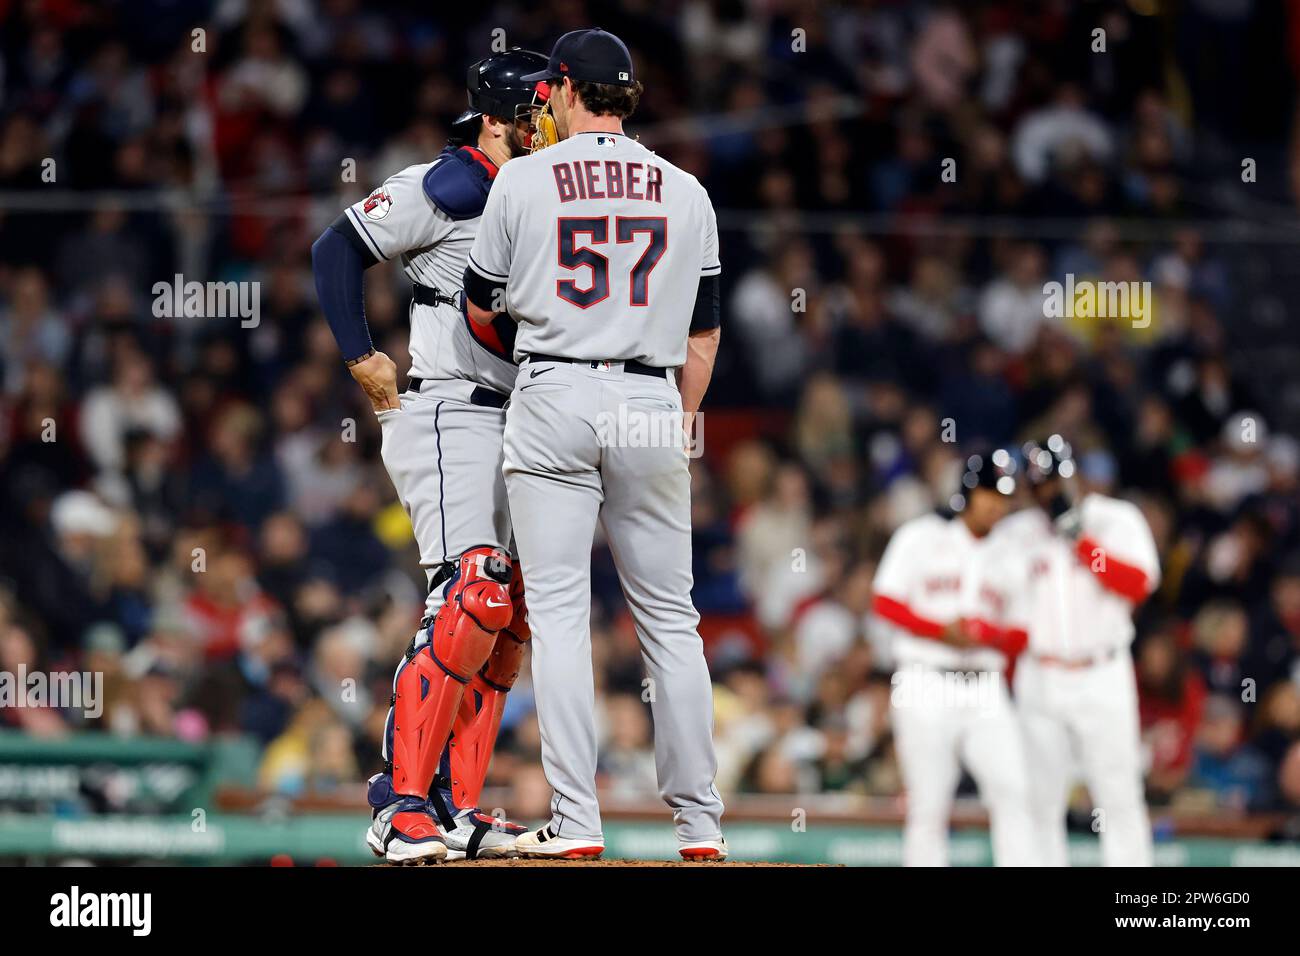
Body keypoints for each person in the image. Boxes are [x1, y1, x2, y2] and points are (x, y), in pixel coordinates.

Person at [463, 28, 727, 860]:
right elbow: (705, 338)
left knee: (561, 617)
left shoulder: (523, 178)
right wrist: (677, 419)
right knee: (672, 622)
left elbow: (478, 306)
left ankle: (578, 821)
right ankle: (700, 826)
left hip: (556, 387)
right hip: (650, 394)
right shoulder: (686, 190)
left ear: (564, 89)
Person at [310, 48, 551, 863]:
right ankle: (398, 804)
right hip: (453, 409)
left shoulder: (540, 191)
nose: (552, 122)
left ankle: (454, 808)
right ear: (501, 120)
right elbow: (335, 248)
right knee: (470, 593)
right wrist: (360, 355)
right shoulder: (448, 185)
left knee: (506, 614)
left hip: (520, 417)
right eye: (538, 110)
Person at [993, 434, 1161, 866]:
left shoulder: (1116, 519)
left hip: (1102, 671)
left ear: (1074, 475)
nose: (1047, 491)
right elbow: (1001, 608)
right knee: (1040, 799)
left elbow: (1138, 584)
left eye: (1053, 480)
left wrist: (1082, 542)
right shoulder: (1016, 533)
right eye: (1038, 484)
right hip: (1040, 676)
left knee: (1118, 796)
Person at [872, 451, 1037, 866]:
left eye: (1003, 496)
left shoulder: (1012, 552)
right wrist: (940, 630)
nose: (995, 504)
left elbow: (1022, 634)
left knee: (1014, 791)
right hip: (925, 678)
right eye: (987, 493)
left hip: (985, 686)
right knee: (928, 803)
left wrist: (987, 633)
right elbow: (885, 601)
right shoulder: (921, 536)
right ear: (967, 491)